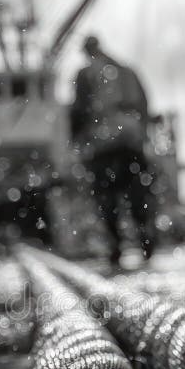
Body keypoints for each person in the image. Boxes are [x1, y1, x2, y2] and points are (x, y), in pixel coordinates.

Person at [70, 35, 155, 265]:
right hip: (131, 141)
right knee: (138, 195)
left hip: (102, 145)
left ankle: (116, 247)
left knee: (107, 198)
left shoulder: (85, 74)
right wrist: (142, 133)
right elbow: (144, 104)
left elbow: (78, 111)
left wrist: (76, 142)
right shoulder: (127, 71)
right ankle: (146, 239)